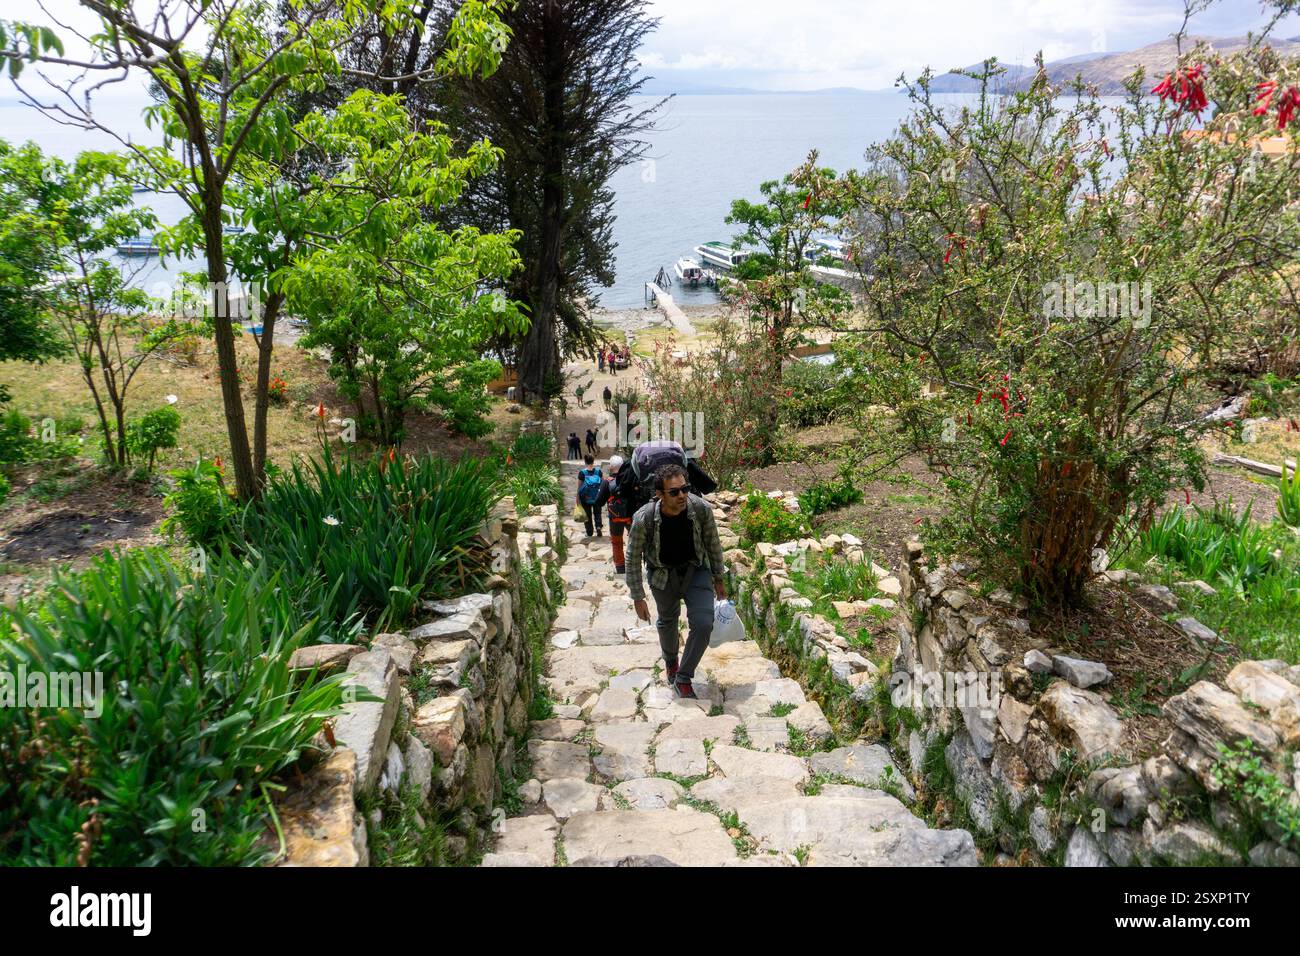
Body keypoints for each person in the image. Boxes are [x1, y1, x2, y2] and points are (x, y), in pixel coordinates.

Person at [625, 463, 728, 699]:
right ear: (659, 494)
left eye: (685, 489)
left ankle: (683, 676)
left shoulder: (700, 509)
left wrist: (719, 579)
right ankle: (671, 661)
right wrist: (637, 596)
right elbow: (632, 557)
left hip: (696, 571)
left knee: (703, 623)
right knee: (668, 622)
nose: (682, 495)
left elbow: (713, 543)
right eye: (674, 492)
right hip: (662, 575)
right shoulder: (644, 518)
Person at [597, 455, 628, 573]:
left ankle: (620, 567)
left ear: (610, 467)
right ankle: (634, 563)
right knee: (636, 539)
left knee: (616, 541)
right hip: (630, 515)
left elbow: (599, 502)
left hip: (615, 517)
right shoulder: (629, 479)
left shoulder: (607, 482)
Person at [576, 454, 604, 537]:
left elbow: (579, 487)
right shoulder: (598, 471)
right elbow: (603, 484)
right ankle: (598, 526)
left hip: (585, 498)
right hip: (597, 497)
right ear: (593, 461)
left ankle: (589, 532)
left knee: (587, 515)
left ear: (585, 462)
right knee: (598, 513)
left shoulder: (582, 473)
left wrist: (578, 499)